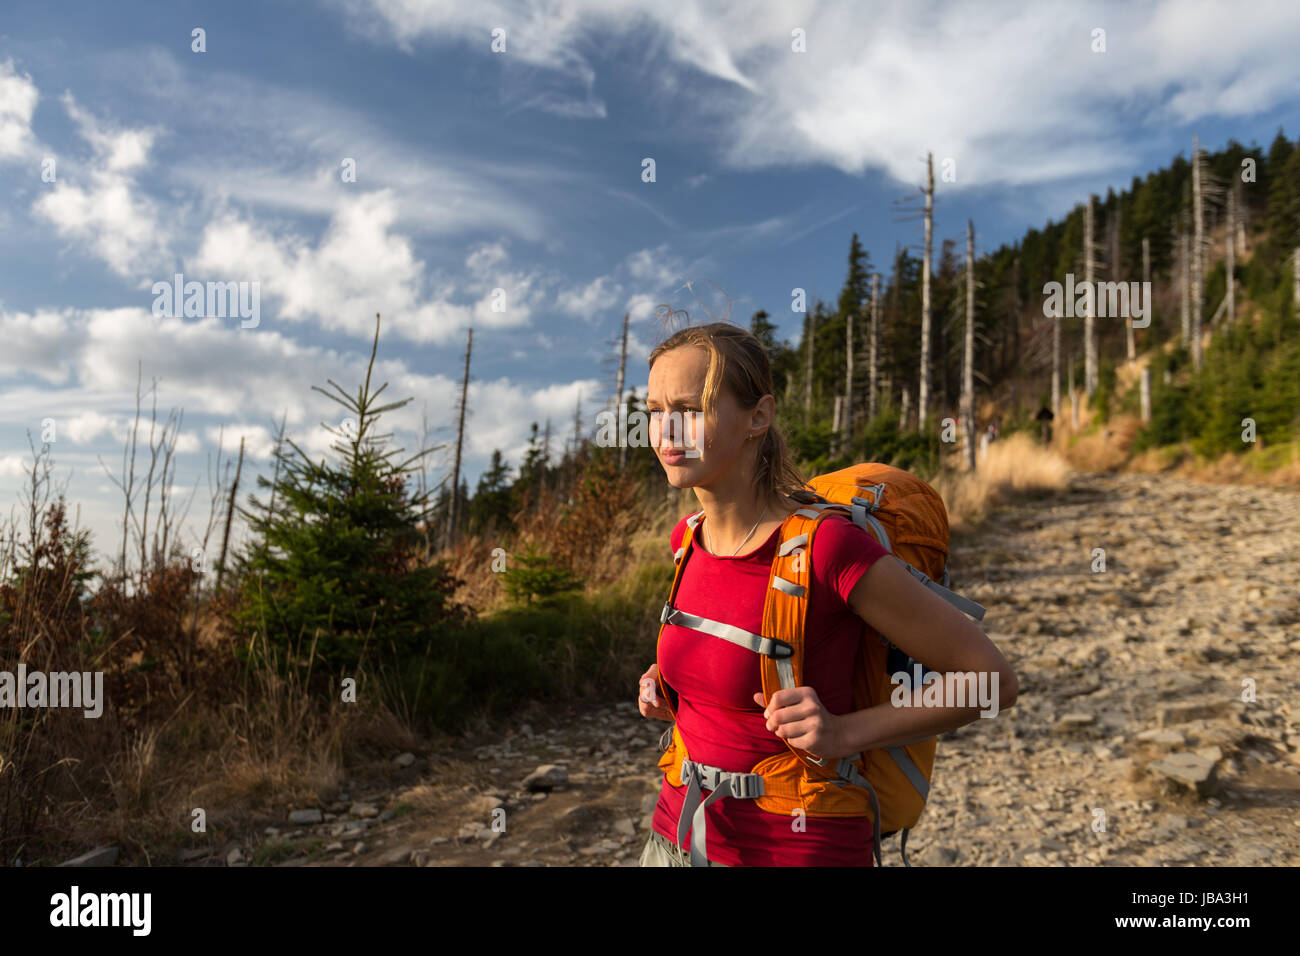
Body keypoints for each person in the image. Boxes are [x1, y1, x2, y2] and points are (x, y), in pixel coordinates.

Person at [636, 321, 1018, 867]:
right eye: (654, 410)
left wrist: (842, 733)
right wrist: (665, 683)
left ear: (759, 417)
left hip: (800, 847)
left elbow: (992, 681)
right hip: (676, 836)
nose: (666, 429)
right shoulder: (687, 540)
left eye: (691, 408)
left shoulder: (827, 548)